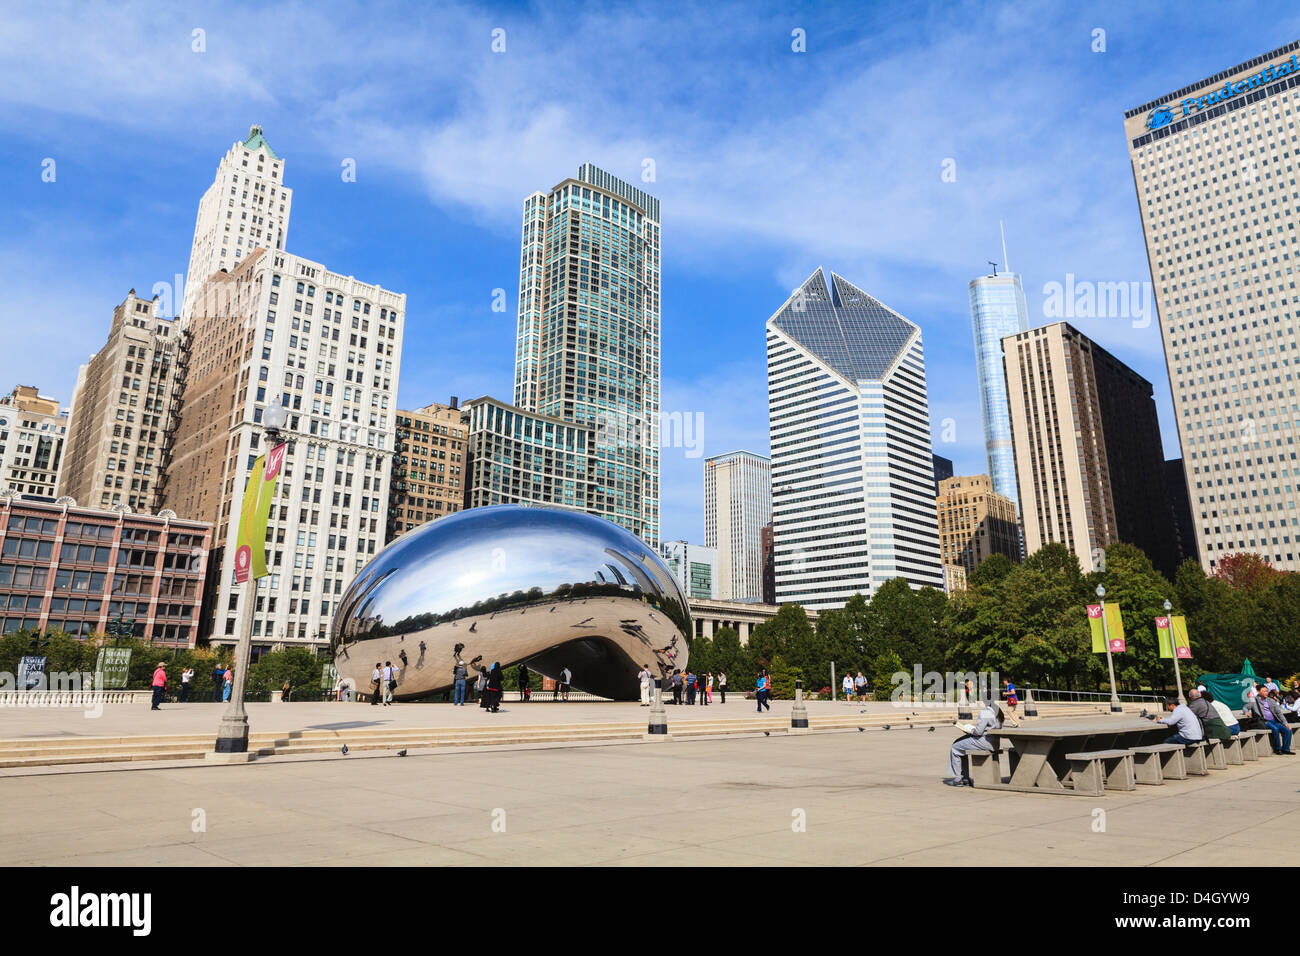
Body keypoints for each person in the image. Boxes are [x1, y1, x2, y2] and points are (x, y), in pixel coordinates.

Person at [945, 699, 1014, 786]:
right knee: (960, 746)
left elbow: (978, 732)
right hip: (994, 742)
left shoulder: (985, 713)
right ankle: (964, 778)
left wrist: (969, 730)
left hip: (984, 741)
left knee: (955, 747)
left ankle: (958, 779)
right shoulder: (998, 712)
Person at [1247, 686, 1295, 755]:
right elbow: (1245, 707)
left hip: (1274, 721)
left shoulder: (1271, 700)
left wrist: (1285, 723)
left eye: (1267, 691)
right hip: (1264, 721)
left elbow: (1279, 713)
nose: (1266, 692)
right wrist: (1246, 712)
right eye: (1264, 691)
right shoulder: (1254, 700)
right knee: (1275, 729)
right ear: (1258, 692)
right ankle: (1278, 749)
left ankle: (1286, 749)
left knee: (1288, 730)